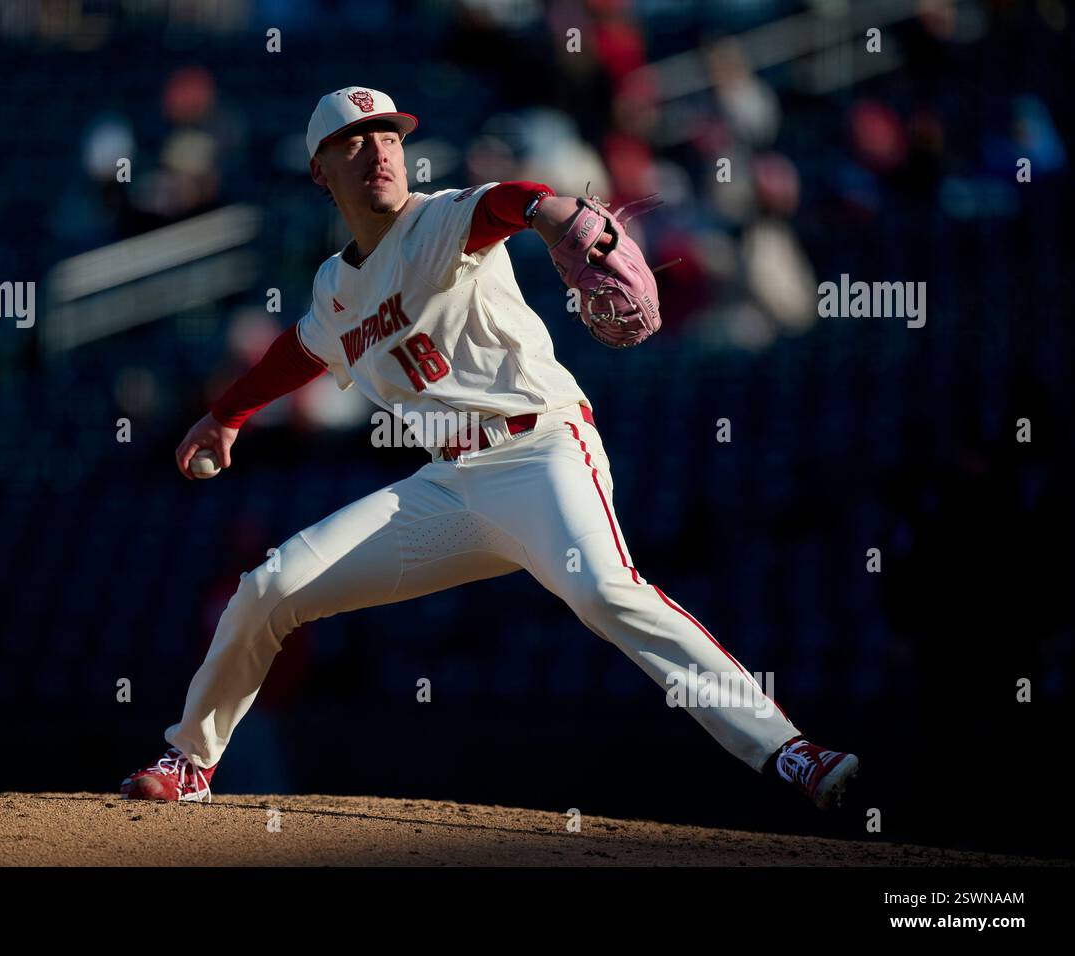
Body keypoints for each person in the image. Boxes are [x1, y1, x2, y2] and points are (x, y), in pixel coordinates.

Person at [121, 88, 859, 811]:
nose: (378, 152)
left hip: (539, 451)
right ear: (321, 171)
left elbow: (506, 199)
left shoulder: (438, 219)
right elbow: (301, 349)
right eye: (355, 141)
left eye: (390, 138)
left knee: (606, 591)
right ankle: (189, 761)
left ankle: (787, 747)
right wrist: (226, 415)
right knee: (268, 589)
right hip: (447, 488)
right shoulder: (334, 288)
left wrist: (548, 211)